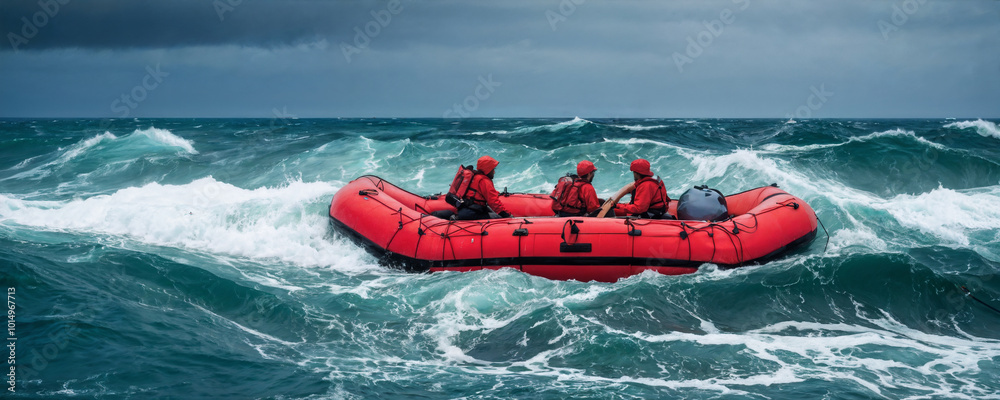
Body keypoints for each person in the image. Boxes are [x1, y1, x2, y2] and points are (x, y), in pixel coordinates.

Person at [456, 156, 512, 220]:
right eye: (492, 169)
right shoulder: (484, 181)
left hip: (465, 209)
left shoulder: (474, 176)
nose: (494, 172)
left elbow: (477, 192)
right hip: (472, 213)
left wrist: (496, 193)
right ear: (488, 170)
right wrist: (506, 215)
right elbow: (493, 202)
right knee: (499, 218)